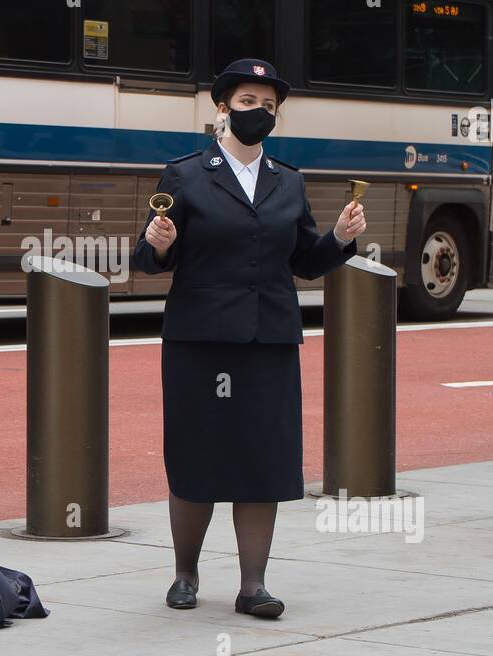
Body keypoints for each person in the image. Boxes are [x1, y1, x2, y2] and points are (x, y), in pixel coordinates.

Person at [132, 58, 366, 619]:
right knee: (196, 457)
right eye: (246, 102)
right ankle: (185, 574)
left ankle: (252, 586)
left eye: (267, 105)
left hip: (270, 340)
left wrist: (340, 237)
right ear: (222, 108)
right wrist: (158, 240)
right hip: (201, 341)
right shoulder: (185, 174)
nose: (257, 112)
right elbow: (149, 262)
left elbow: (306, 261)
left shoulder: (288, 180)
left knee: (265, 461)